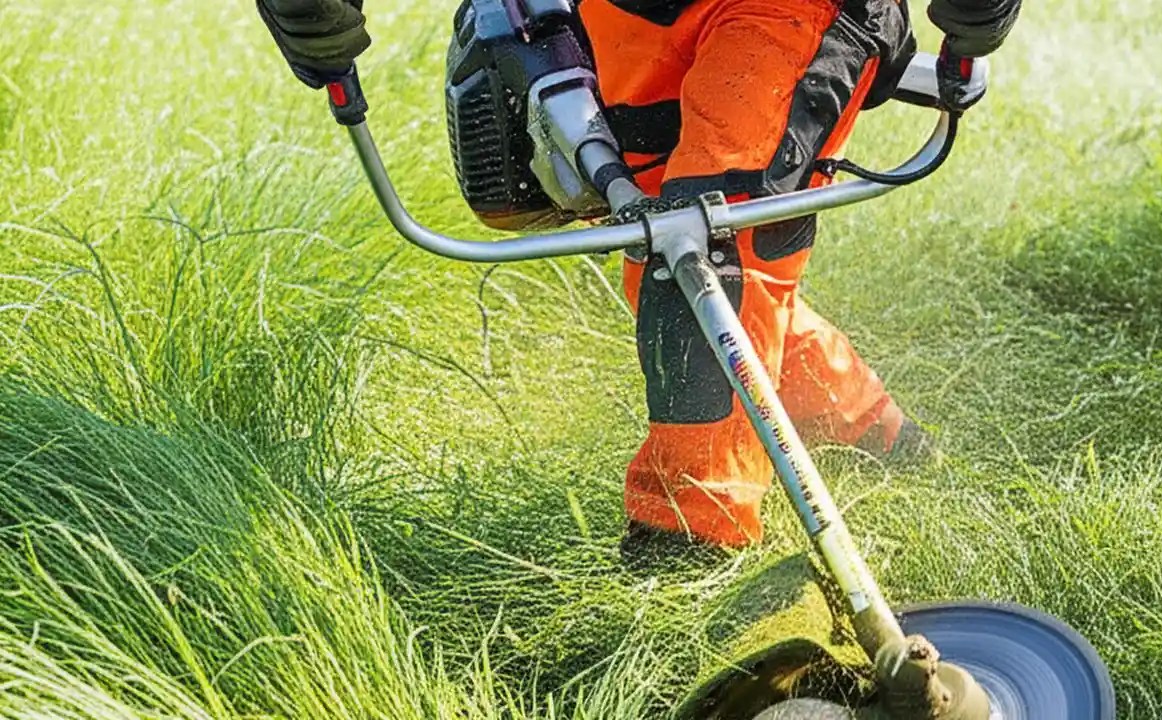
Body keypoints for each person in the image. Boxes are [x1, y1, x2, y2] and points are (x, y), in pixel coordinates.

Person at [256, 0, 1021, 563]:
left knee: (710, 238)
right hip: (621, 13)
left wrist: (973, 19)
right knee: (669, 265)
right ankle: (869, 430)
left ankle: (689, 546)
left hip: (788, 10)